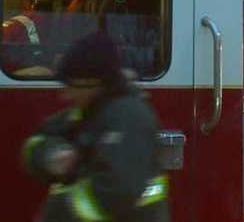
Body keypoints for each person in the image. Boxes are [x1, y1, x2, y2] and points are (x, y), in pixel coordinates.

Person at [21, 30, 169, 221]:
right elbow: (36, 140)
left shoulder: (129, 118)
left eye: (73, 86)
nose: (66, 95)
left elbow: (117, 191)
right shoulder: (87, 112)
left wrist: (57, 213)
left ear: (95, 85)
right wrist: (51, 154)